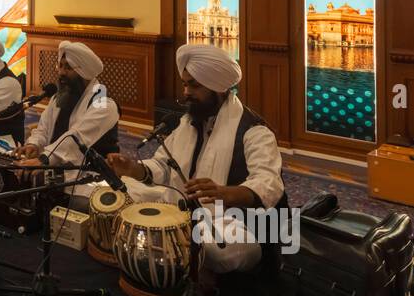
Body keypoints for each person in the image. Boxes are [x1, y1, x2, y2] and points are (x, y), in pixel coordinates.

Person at [107, 43, 286, 275]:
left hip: (232, 219)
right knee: (124, 192)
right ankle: (178, 249)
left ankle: (177, 251)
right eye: (185, 84)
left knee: (226, 251)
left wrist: (225, 193)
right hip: (185, 207)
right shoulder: (189, 121)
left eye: (194, 85)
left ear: (218, 88)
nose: (186, 92)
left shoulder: (254, 131)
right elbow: (163, 164)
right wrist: (132, 168)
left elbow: (269, 183)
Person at [16, 41, 120, 197]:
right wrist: (34, 145)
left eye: (68, 68)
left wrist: (45, 159)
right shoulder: (60, 97)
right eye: (61, 66)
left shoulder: (103, 104)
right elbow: (43, 130)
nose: (61, 73)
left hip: (92, 178)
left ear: (84, 72)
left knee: (35, 182)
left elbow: (76, 138)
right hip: (58, 168)